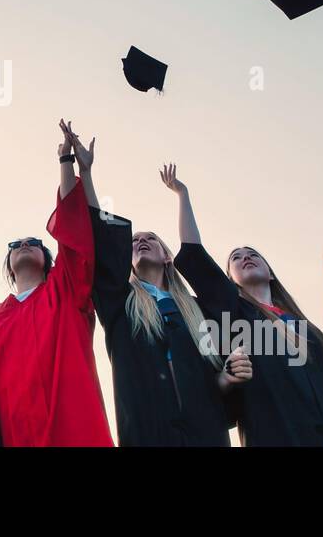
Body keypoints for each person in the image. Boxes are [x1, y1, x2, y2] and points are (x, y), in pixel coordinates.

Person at [166, 163, 323, 446]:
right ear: (230, 280)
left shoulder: (307, 329)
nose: (245, 257)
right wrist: (183, 194)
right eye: (236, 257)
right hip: (280, 433)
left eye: (253, 254)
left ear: (270, 272)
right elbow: (194, 254)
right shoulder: (234, 314)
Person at [74, 136, 250, 447]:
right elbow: (101, 240)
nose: (140, 240)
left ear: (167, 255)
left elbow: (196, 255)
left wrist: (183, 195)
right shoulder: (121, 305)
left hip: (204, 430)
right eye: (134, 241)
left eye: (151, 239)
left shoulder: (195, 311)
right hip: (147, 429)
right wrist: (86, 174)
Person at [0, 120, 113, 447]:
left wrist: (68, 163)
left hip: (74, 430)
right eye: (15, 244)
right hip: (13, 433)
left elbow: (74, 225)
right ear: (8, 265)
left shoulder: (64, 290)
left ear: (49, 259)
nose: (24, 245)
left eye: (34, 241)